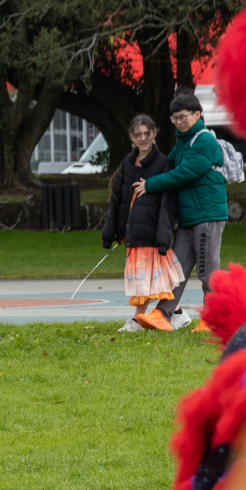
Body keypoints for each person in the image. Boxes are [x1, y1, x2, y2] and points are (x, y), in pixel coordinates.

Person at [134, 89, 229, 332]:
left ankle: (213, 319)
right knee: (175, 269)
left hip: (207, 215)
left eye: (182, 117)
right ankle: (163, 315)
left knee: (208, 271)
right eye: (174, 118)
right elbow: (167, 164)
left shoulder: (204, 141)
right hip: (188, 217)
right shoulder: (182, 140)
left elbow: (183, 174)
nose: (178, 122)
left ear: (198, 114)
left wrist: (150, 185)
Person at [103, 114, 184, 332]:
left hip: (151, 232)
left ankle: (137, 320)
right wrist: (113, 231)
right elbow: (118, 201)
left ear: (155, 133)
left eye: (147, 133)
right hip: (133, 233)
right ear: (131, 137)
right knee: (152, 280)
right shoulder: (128, 164)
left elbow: (168, 204)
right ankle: (177, 313)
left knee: (148, 280)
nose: (143, 138)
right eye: (138, 134)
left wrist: (163, 234)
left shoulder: (163, 163)